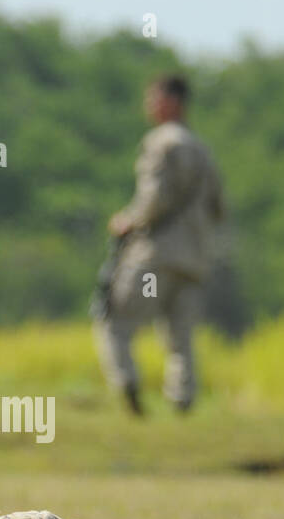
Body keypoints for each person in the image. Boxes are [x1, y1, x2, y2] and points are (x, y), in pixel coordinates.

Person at [96, 74, 223, 415]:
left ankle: (127, 385)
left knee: (115, 320)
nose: (148, 105)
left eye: (153, 98)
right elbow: (218, 207)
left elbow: (153, 199)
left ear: (171, 101)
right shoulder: (203, 150)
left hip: (156, 255)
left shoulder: (161, 143)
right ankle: (182, 400)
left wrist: (128, 221)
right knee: (180, 336)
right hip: (194, 258)